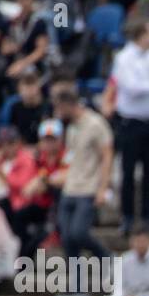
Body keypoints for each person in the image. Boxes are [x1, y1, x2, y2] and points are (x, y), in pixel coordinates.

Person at [111, 17, 149, 237]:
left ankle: (147, 215)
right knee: (128, 172)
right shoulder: (124, 58)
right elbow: (132, 87)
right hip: (130, 122)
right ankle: (126, 216)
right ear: (141, 35)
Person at [53, 89, 113, 260]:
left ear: (68, 106)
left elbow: (107, 155)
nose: (58, 113)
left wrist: (103, 187)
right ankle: (75, 286)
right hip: (70, 187)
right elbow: (72, 158)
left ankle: (106, 256)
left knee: (79, 233)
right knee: (67, 239)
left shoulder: (95, 124)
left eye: (60, 108)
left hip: (88, 187)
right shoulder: (71, 127)